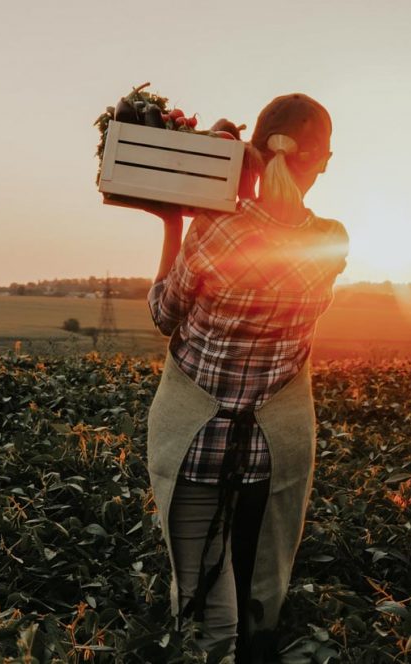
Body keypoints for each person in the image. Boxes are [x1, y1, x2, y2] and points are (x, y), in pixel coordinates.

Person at [142, 93, 349, 664]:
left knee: (207, 617)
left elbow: (164, 314)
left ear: (254, 153)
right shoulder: (331, 241)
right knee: (260, 610)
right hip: (271, 454)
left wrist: (176, 219)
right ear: (323, 161)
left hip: (195, 448)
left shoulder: (214, 229)